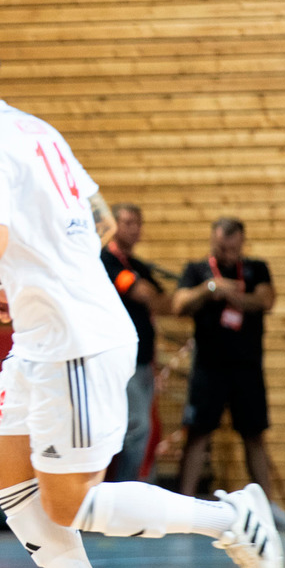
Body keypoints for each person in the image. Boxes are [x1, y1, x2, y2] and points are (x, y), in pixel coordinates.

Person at [0, 24, 282, 568]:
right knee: (4, 471)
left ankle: (232, 519)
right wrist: (23, 283)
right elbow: (99, 222)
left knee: (69, 502)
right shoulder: (37, 131)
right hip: (42, 337)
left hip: (73, 341)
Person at [172, 217, 276, 499]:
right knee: (198, 434)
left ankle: (265, 505)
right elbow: (179, 304)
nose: (227, 250)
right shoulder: (197, 271)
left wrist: (235, 296)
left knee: (254, 435)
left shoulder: (256, 269)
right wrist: (210, 289)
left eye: (232, 244)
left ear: (241, 241)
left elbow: (266, 300)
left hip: (247, 366)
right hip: (208, 367)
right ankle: (185, 503)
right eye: (221, 245)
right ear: (213, 241)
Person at [99, 204, 169, 482]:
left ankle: (135, 491)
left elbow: (164, 302)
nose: (134, 228)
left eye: (138, 223)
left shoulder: (137, 265)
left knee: (142, 429)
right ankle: (123, 493)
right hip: (117, 359)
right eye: (128, 223)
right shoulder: (105, 260)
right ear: (114, 226)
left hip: (142, 360)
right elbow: (143, 294)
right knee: (136, 427)